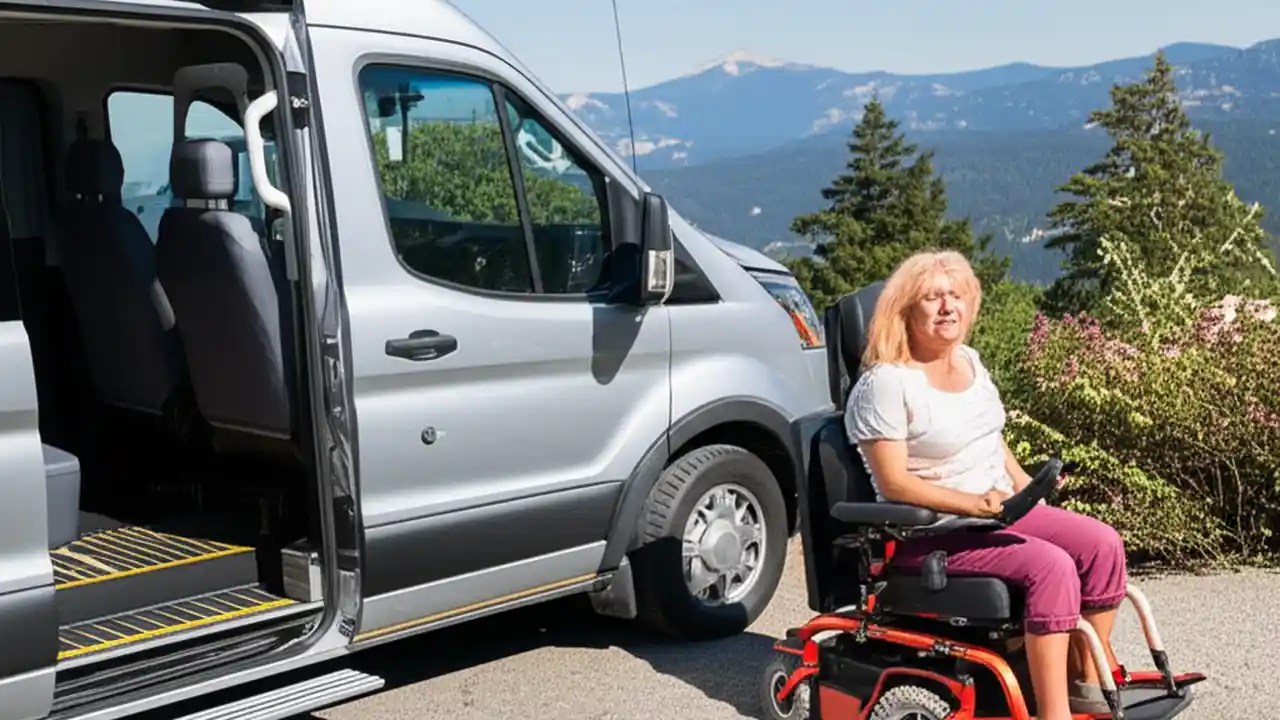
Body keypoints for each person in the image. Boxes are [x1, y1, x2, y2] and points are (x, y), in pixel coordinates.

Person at [844, 250, 1127, 719]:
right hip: (935, 532)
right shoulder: (887, 383)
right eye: (932, 298)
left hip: (995, 511)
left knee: (1101, 544)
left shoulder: (970, 362)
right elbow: (893, 482)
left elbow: (989, 438)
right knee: (1051, 567)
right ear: (906, 310)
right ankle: (1053, 712)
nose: (947, 307)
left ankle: (1085, 680)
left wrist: (1027, 489)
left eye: (956, 295)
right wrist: (973, 504)